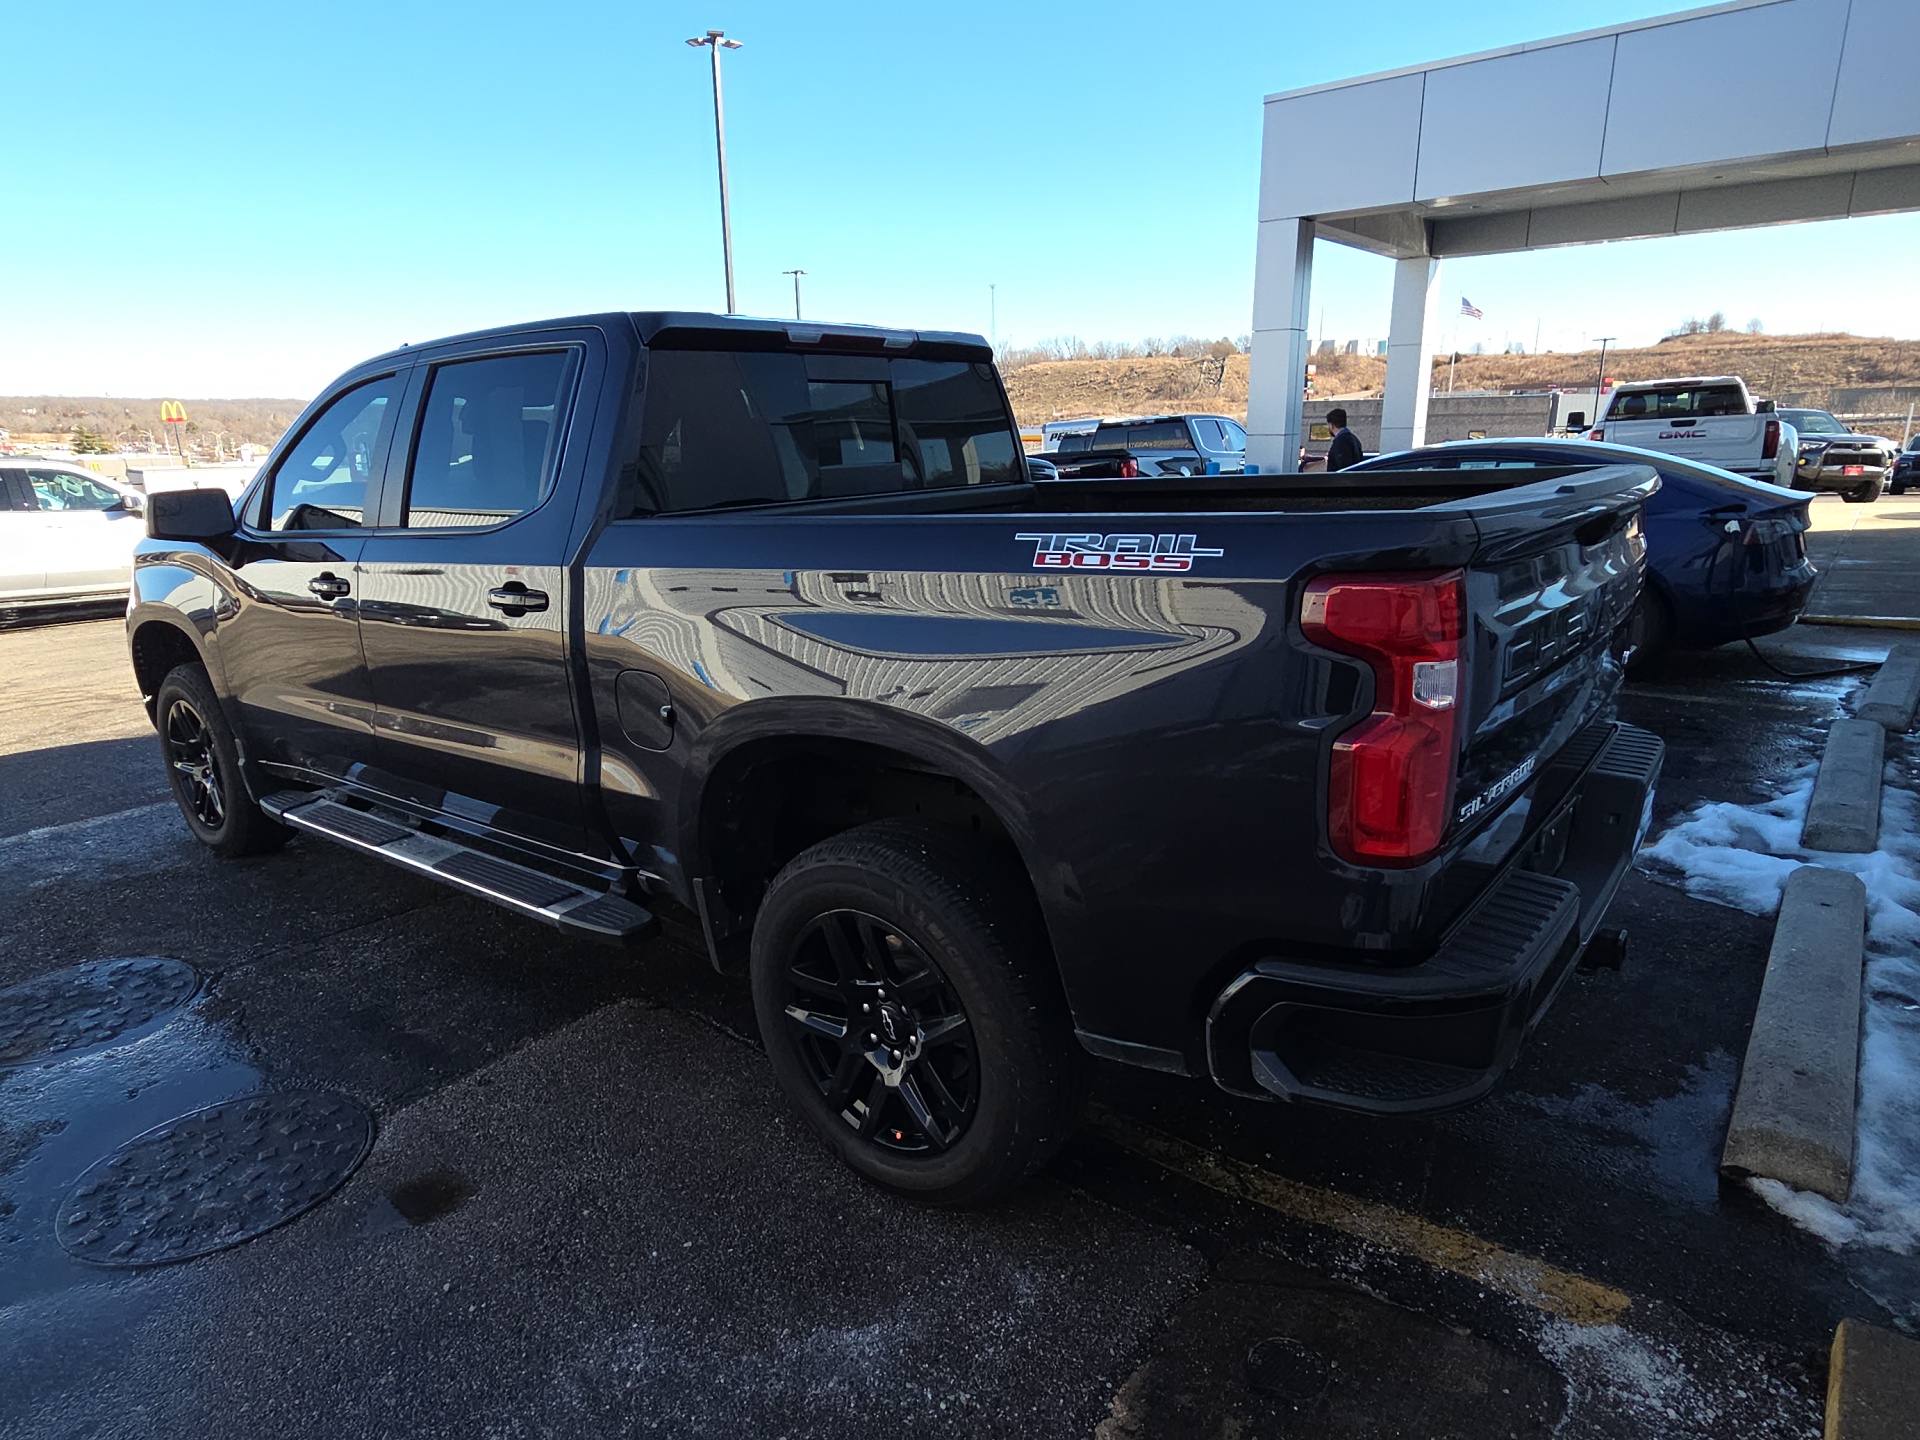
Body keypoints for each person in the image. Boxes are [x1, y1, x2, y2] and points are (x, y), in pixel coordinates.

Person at [1324, 408, 1363, 473]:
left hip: (1341, 478)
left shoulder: (1341, 441)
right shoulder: (1354, 438)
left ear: (1331, 425)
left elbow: (1343, 467)